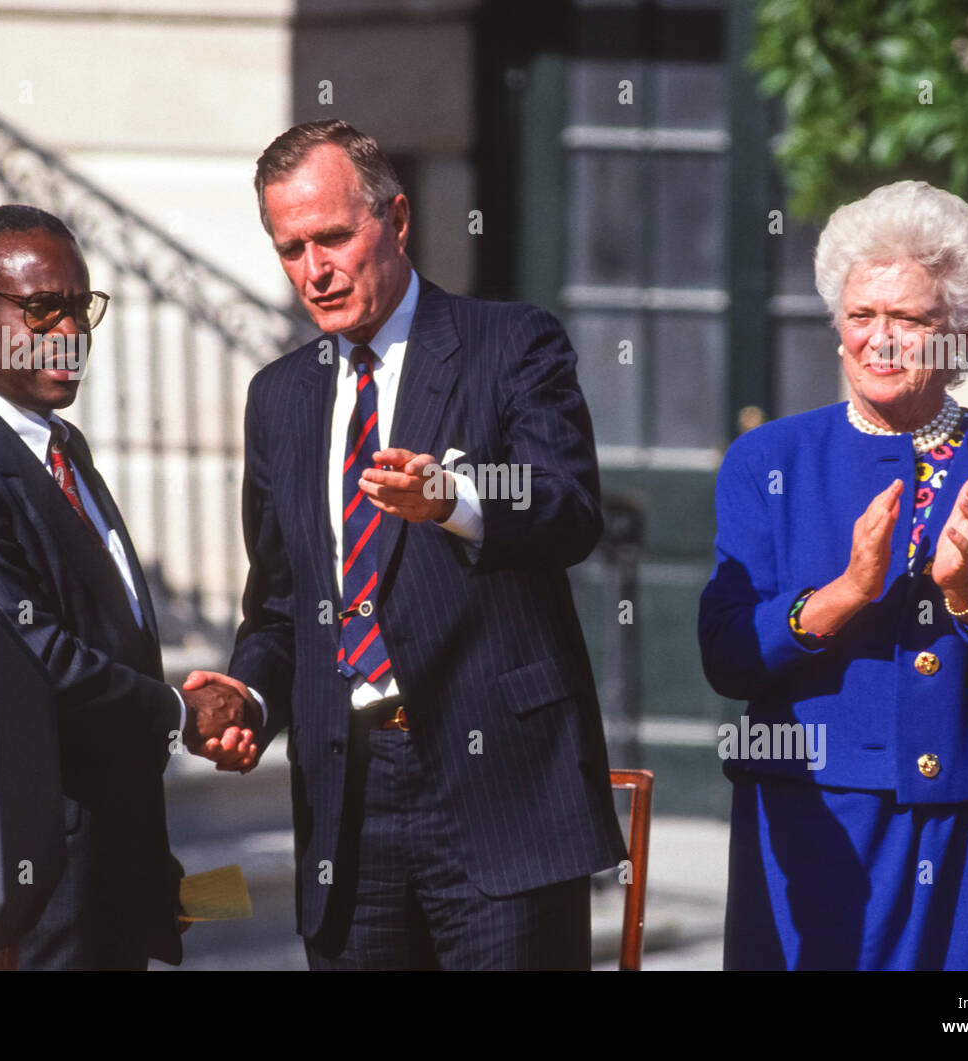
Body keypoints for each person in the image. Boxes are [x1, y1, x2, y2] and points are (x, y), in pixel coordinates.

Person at [186, 119, 626, 969]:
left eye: (334, 237)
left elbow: (568, 506)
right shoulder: (278, 398)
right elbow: (281, 603)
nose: (314, 269)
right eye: (290, 249)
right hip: (349, 800)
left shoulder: (511, 345)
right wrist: (248, 696)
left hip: (500, 788)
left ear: (395, 218)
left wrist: (454, 498)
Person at [698, 180, 968, 970]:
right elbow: (727, 654)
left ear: (960, 333)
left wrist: (967, 594)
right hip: (812, 818)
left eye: (909, 319)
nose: (879, 339)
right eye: (861, 316)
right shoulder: (767, 461)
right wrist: (848, 588)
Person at [0, 205, 258, 970]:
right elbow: (20, 660)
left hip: (104, 887)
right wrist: (181, 709)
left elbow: (108, 637)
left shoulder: (54, 445)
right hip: (23, 908)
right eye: (44, 309)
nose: (70, 331)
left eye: (81, 308)